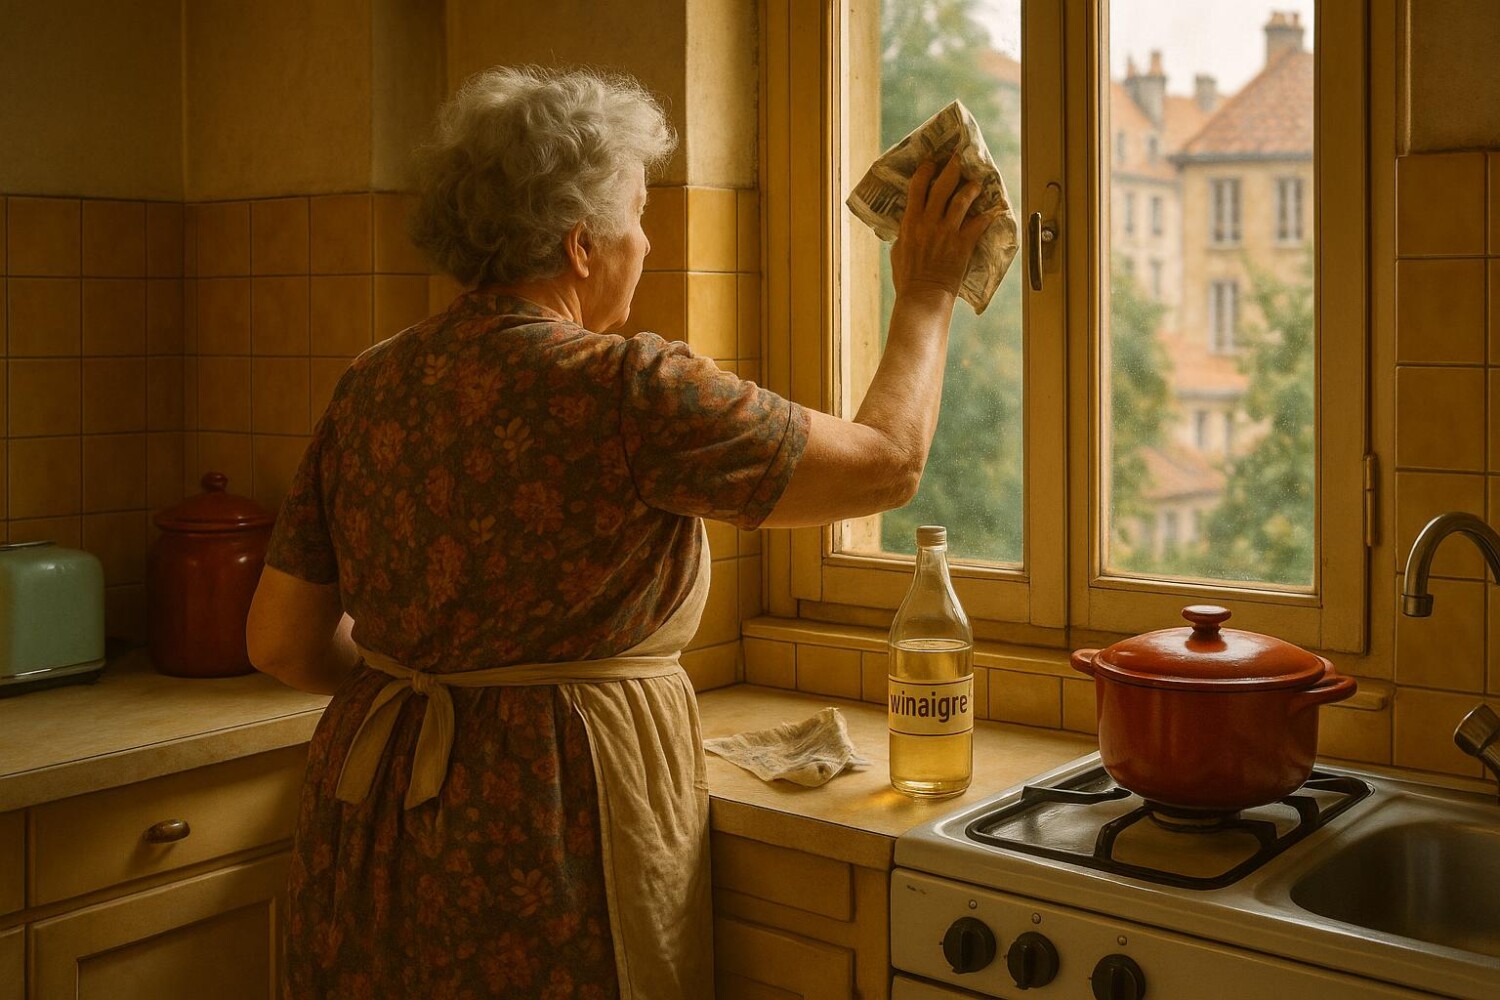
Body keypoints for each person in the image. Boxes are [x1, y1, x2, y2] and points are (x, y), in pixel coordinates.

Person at [247, 63, 999, 1000]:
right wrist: (927, 288)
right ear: (581, 246)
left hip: (367, 811)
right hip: (549, 813)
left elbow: (279, 640)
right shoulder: (628, 387)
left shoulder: (372, 382)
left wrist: (424, 674)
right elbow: (886, 463)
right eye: (640, 216)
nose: (648, 242)